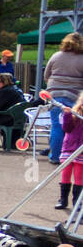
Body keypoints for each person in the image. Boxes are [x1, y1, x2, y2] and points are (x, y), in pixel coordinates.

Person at [44, 32, 83, 164]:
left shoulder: (56, 56)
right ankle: (71, 155)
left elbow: (46, 74)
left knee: (56, 126)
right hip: (75, 95)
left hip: (55, 94)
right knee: (73, 126)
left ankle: (55, 156)